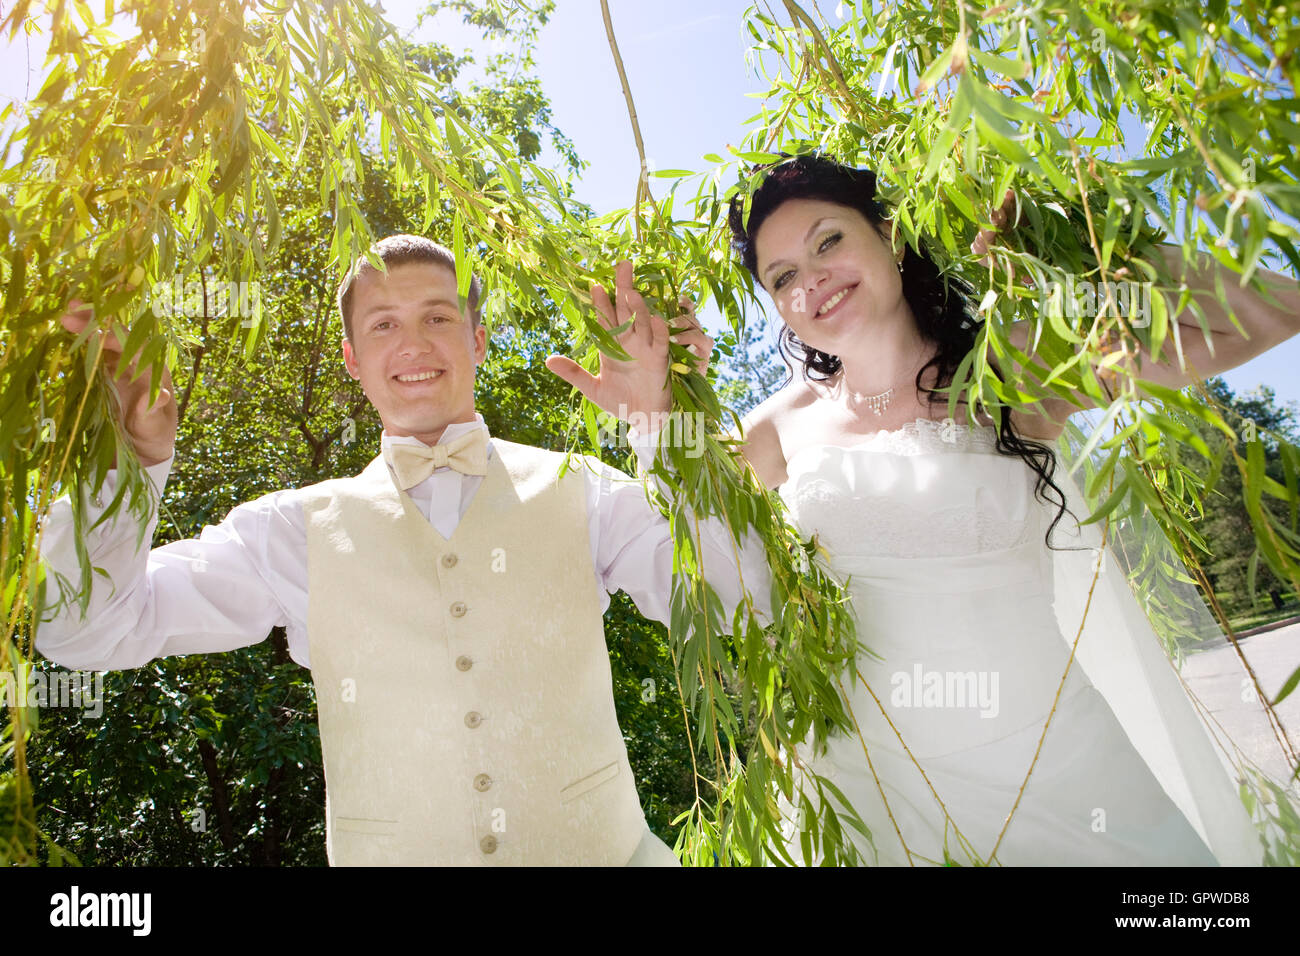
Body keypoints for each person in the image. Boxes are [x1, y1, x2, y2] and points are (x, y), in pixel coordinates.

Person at [37, 233, 757, 866]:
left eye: (437, 318)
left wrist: (661, 428)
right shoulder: (290, 531)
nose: (413, 345)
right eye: (384, 325)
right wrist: (121, 462)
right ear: (352, 358)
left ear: (477, 339)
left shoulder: (585, 491)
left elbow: (739, 606)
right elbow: (88, 628)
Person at [713, 153, 1300, 866]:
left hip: (1062, 774)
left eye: (828, 241)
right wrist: (654, 418)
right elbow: (690, 563)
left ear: (892, 232)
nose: (811, 282)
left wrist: (1086, 248)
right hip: (876, 799)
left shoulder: (1011, 367)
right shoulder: (769, 434)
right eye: (782, 278)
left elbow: (1269, 313)